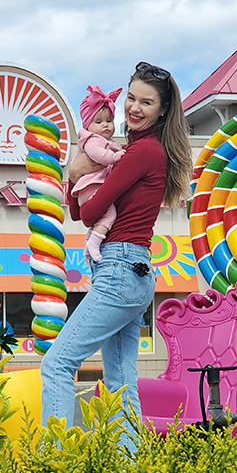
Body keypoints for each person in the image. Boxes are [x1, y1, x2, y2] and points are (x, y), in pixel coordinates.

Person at [40, 62, 192, 451]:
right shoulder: (134, 151)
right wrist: (76, 175)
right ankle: (129, 470)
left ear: (162, 109)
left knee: (56, 364)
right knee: (122, 382)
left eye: (146, 102)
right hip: (131, 270)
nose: (135, 108)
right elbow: (79, 210)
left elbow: (89, 215)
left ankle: (53, 464)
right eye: (131, 98)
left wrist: (74, 169)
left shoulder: (141, 152)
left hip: (120, 269)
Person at [73, 85, 124, 263]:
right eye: (99, 122)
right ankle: (94, 244)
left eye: (109, 121)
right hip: (91, 186)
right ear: (88, 124)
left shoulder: (107, 141)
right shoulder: (92, 139)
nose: (105, 125)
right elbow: (98, 155)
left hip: (91, 188)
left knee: (99, 222)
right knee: (110, 216)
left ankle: (88, 247)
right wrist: (115, 157)